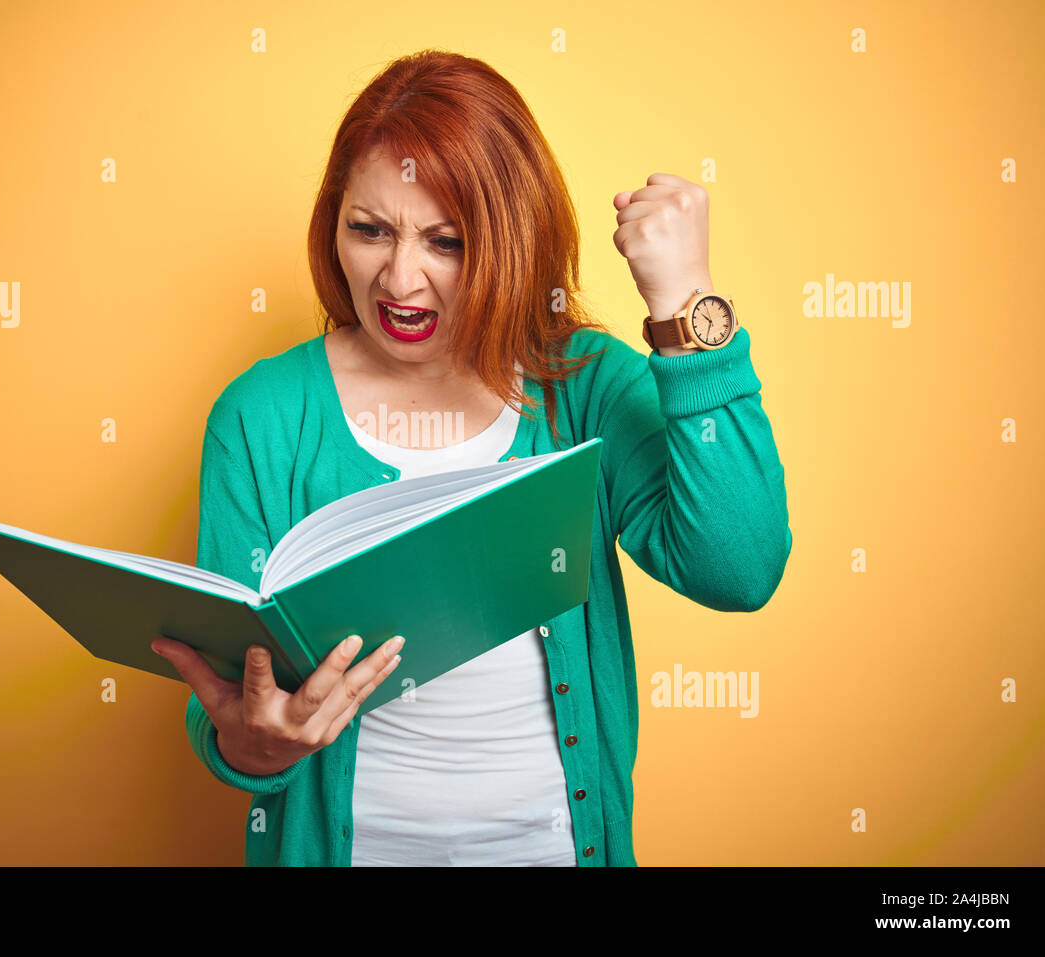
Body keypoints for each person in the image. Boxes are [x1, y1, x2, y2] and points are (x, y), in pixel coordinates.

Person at [151, 48, 792, 866]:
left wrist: (686, 306)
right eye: (369, 230)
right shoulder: (260, 415)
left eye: (446, 242)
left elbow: (739, 569)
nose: (400, 278)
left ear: (511, 241)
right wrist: (255, 742)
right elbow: (230, 707)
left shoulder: (587, 388)